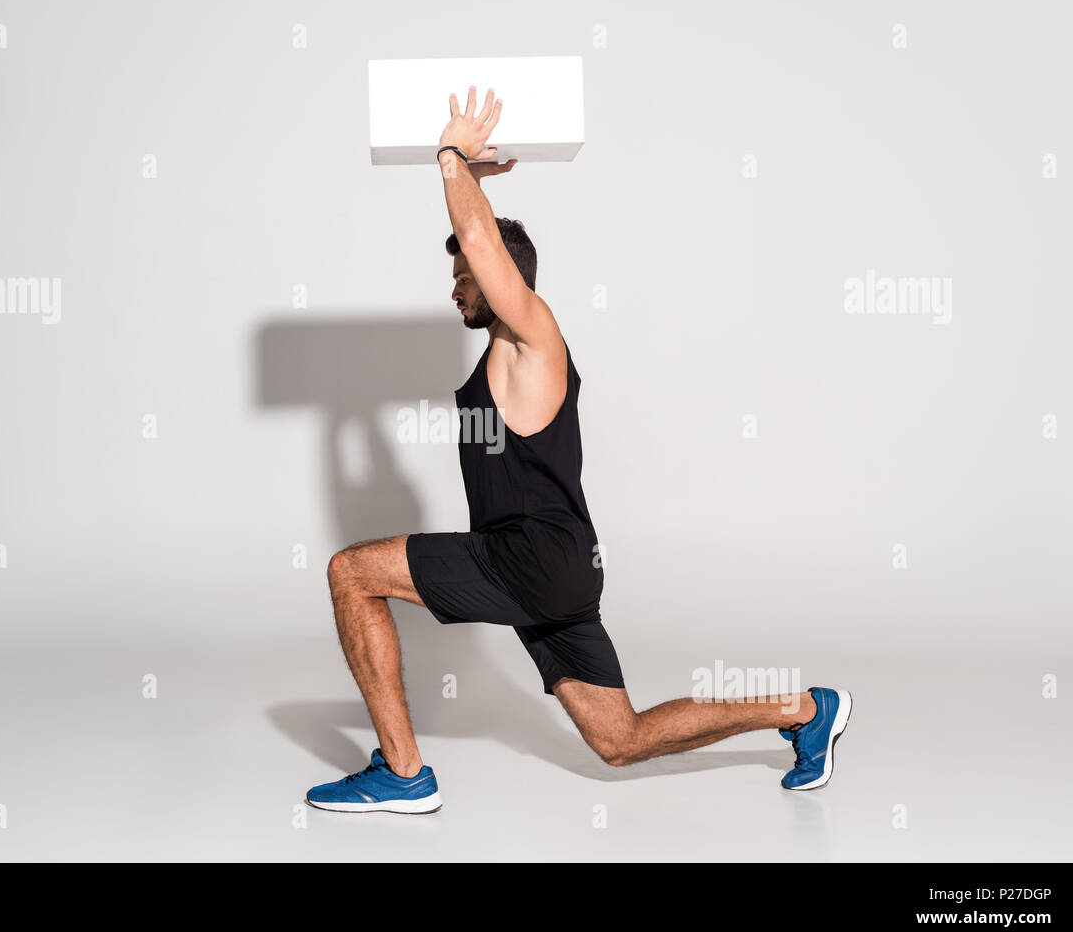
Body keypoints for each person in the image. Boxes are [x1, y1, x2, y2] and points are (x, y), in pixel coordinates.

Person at [306, 87, 850, 814]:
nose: (454, 292)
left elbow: (480, 246)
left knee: (351, 572)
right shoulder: (506, 355)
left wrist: (449, 156)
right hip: (557, 567)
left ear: (503, 278)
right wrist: (467, 180)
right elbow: (476, 245)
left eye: (463, 279)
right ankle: (807, 709)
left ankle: (403, 774)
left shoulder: (533, 336)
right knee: (620, 739)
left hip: (528, 556)